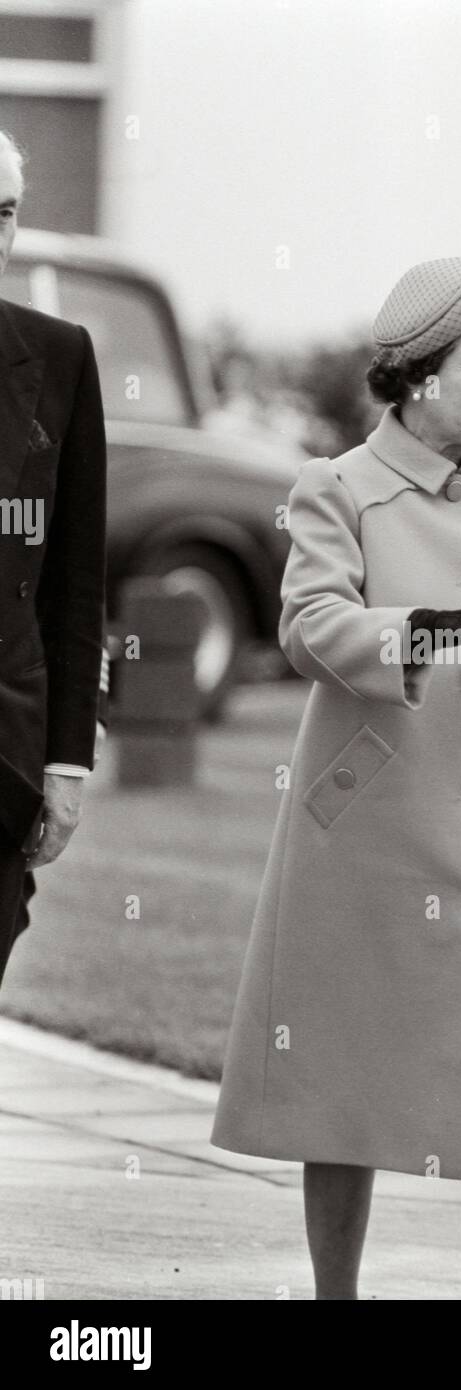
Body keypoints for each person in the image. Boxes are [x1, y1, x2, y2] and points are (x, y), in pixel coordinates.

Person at [211, 255, 461, 1300]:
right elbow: (310, 628)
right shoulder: (336, 490)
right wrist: (434, 636)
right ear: (419, 373)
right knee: (339, 1096)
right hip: (371, 854)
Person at [0, 130, 107, 989]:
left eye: (3, 215)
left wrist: (67, 761)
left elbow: (75, 579)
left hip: (6, 752)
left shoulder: (60, 354)